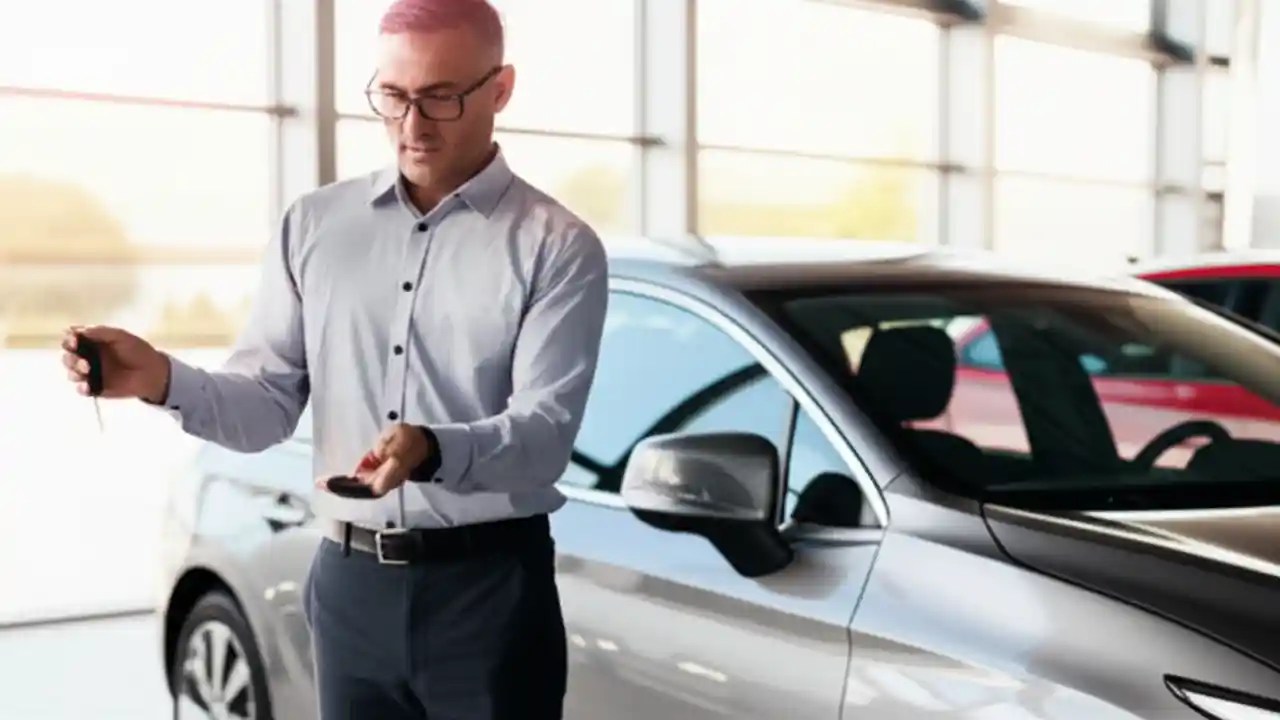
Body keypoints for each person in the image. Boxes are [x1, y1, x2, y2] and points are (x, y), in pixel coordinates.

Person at [60, 0, 608, 717]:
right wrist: (159, 378)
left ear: (500, 89)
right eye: (394, 96)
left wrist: (432, 448)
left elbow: (543, 436)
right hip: (349, 587)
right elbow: (264, 408)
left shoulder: (556, 246)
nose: (412, 125)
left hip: (490, 593)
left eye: (441, 97)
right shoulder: (315, 227)